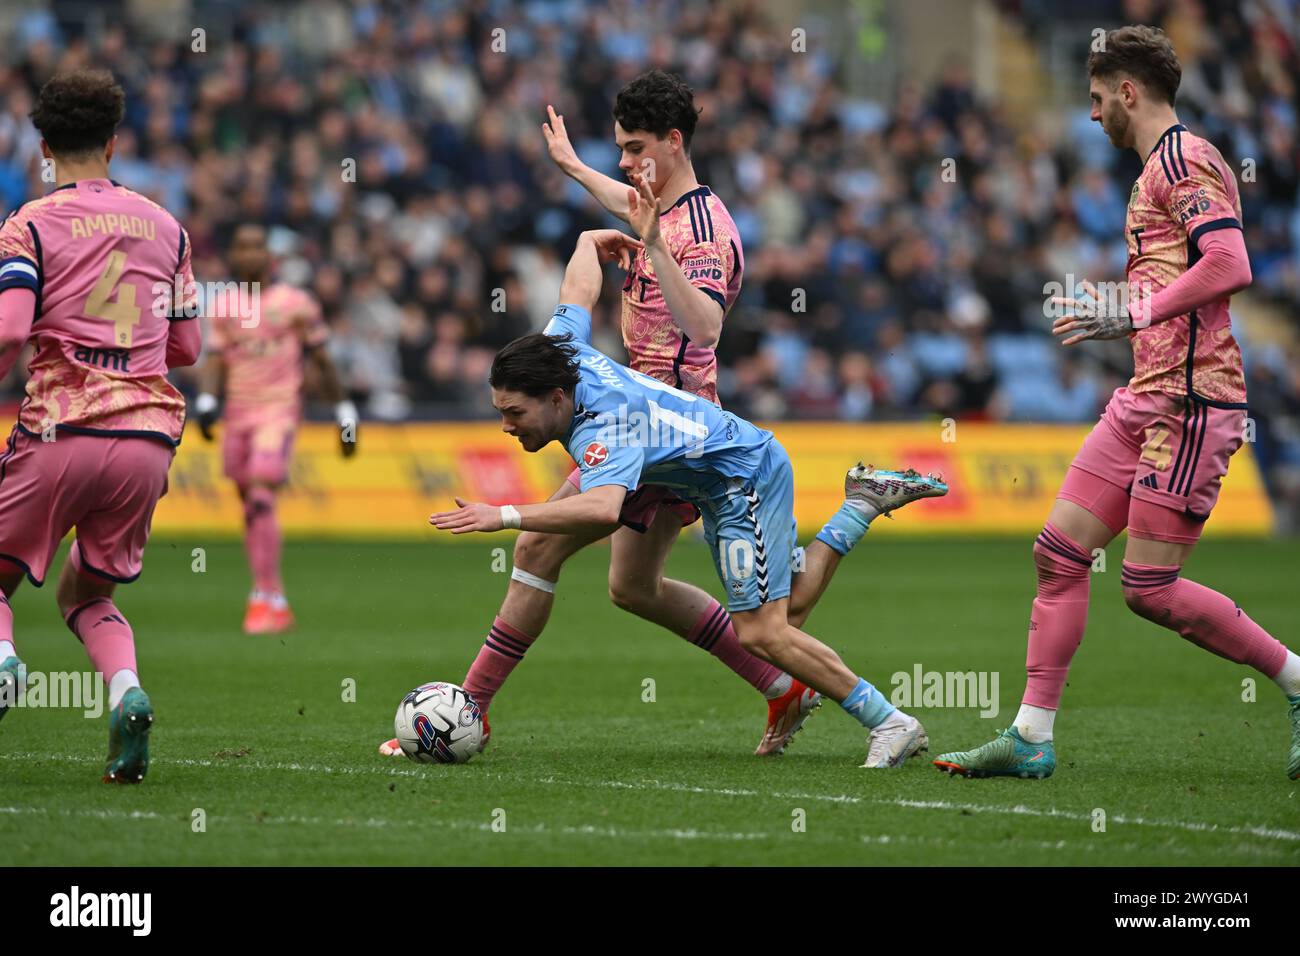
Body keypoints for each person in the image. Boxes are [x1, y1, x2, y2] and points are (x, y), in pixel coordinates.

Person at [381, 71, 943, 758]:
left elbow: (703, 325)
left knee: (564, 556)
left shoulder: (702, 231)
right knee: (648, 590)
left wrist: (647, 246)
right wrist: (575, 173)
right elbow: (622, 219)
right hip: (645, 420)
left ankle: (467, 709)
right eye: (618, 147)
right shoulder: (662, 211)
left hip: (665, 430)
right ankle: (803, 640)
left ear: (674, 143)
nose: (624, 162)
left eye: (634, 147)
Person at [427, 227, 944, 769]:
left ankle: (890, 721)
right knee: (767, 615)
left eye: (514, 414)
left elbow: (604, 507)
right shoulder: (561, 354)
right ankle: (858, 507)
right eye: (499, 412)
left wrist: (502, 514)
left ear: (556, 399)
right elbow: (576, 296)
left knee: (767, 630)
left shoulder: (606, 429)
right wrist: (586, 245)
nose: (506, 427)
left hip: (743, 478)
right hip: (708, 473)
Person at [933, 26, 1300, 780]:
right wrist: (1123, 309)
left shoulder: (1184, 158)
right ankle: (1031, 736)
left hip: (1194, 403)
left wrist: (1135, 311)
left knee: (1148, 589)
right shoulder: (1151, 172)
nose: (1093, 116)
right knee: (1059, 553)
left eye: (1099, 100)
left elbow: (1232, 263)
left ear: (1129, 92)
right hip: (1145, 396)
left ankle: (1297, 679)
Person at [0, 69, 201, 783]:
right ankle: (126, 691)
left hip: (61, 430)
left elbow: (11, 327)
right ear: (115, 143)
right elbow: (187, 350)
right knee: (87, 593)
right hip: (146, 442)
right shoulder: (167, 226)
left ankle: (2, 663)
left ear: (45, 147)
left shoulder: (27, 224)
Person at [193, 223, 357, 634]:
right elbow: (216, 359)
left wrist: (344, 410)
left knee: (263, 490)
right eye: (242, 247)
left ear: (271, 256)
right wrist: (209, 401)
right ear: (234, 255)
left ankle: (267, 598)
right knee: (250, 501)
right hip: (240, 414)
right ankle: (267, 592)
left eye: (257, 246)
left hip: (279, 412)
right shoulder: (225, 305)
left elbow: (321, 359)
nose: (249, 254)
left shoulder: (296, 302)